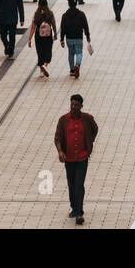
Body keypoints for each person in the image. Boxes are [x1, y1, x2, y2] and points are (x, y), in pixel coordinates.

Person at [54, 94, 98, 225]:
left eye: (76, 105)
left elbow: (95, 129)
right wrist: (60, 151)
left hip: (82, 157)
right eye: (72, 104)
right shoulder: (63, 120)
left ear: (81, 106)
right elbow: (57, 138)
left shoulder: (87, 119)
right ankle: (74, 206)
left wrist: (89, 142)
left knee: (79, 184)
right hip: (69, 158)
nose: (73, 107)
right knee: (71, 183)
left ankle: (79, 213)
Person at [60, 0, 92, 79]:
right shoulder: (81, 14)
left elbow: (62, 28)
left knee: (71, 53)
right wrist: (87, 36)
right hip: (78, 37)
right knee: (79, 53)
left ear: (69, 4)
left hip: (69, 38)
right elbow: (85, 26)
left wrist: (61, 39)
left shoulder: (65, 15)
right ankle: (77, 65)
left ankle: (72, 70)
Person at [27, 0, 58, 78]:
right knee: (48, 51)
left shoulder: (36, 14)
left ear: (39, 5)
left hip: (38, 35)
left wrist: (30, 38)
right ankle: (45, 65)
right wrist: (55, 33)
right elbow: (53, 24)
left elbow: (33, 27)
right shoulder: (50, 13)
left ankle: (41, 71)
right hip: (48, 35)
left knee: (40, 52)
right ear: (46, 4)